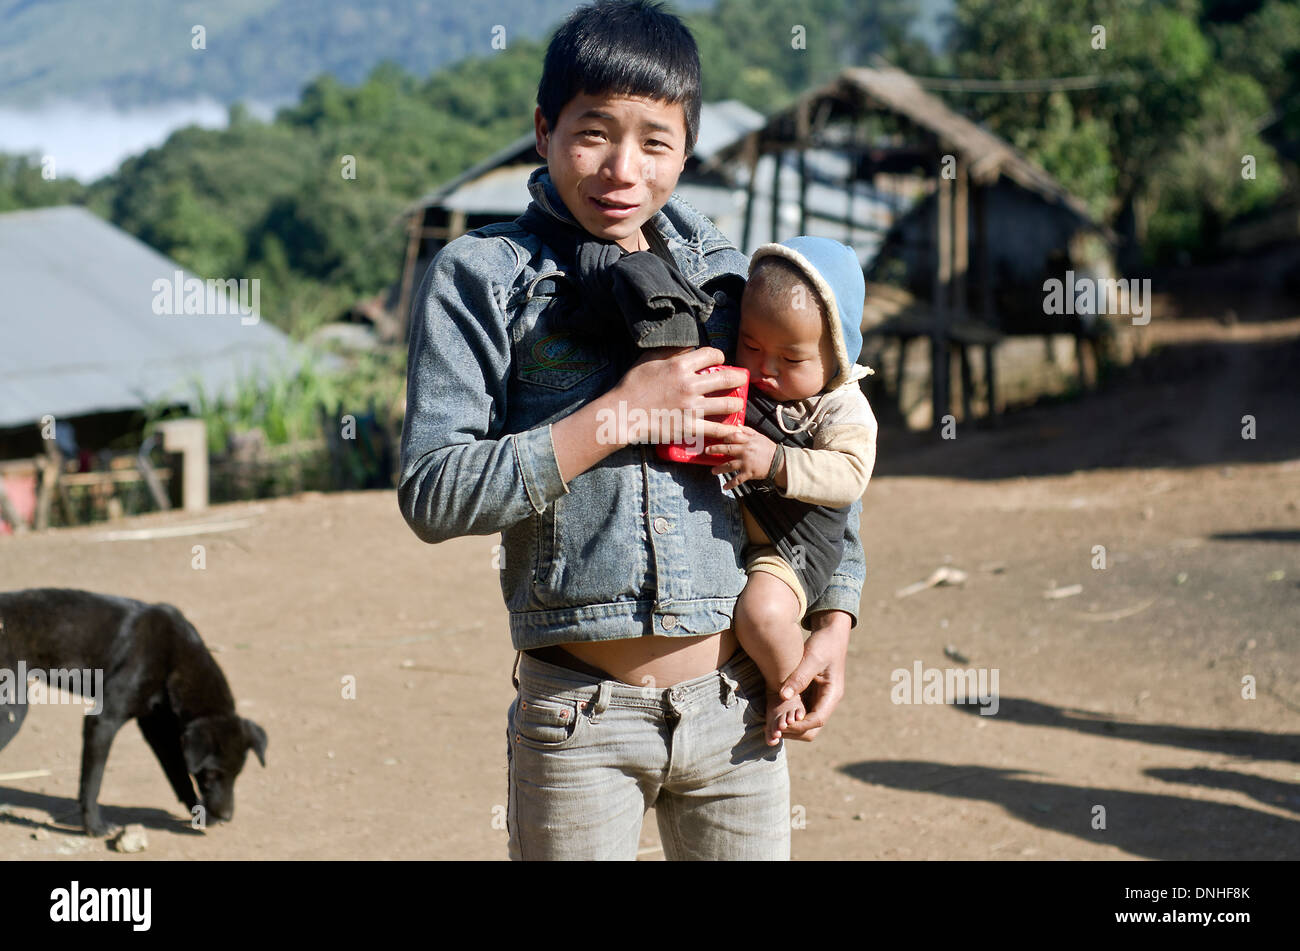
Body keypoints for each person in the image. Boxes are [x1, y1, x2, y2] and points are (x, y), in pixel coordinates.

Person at [397, 0, 865, 861]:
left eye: (655, 141)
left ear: (687, 148)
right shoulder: (481, 279)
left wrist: (835, 615)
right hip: (579, 717)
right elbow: (432, 490)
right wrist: (620, 414)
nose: (622, 168)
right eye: (593, 133)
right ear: (543, 130)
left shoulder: (730, 276)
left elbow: (816, 447)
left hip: (739, 709)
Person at [704, 238, 878, 746]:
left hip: (794, 546)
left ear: (837, 355)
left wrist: (776, 461)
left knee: (764, 613)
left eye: (791, 358)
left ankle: (787, 688)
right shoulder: (745, 384)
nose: (766, 369)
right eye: (752, 346)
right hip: (737, 533)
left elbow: (850, 478)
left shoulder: (842, 409)